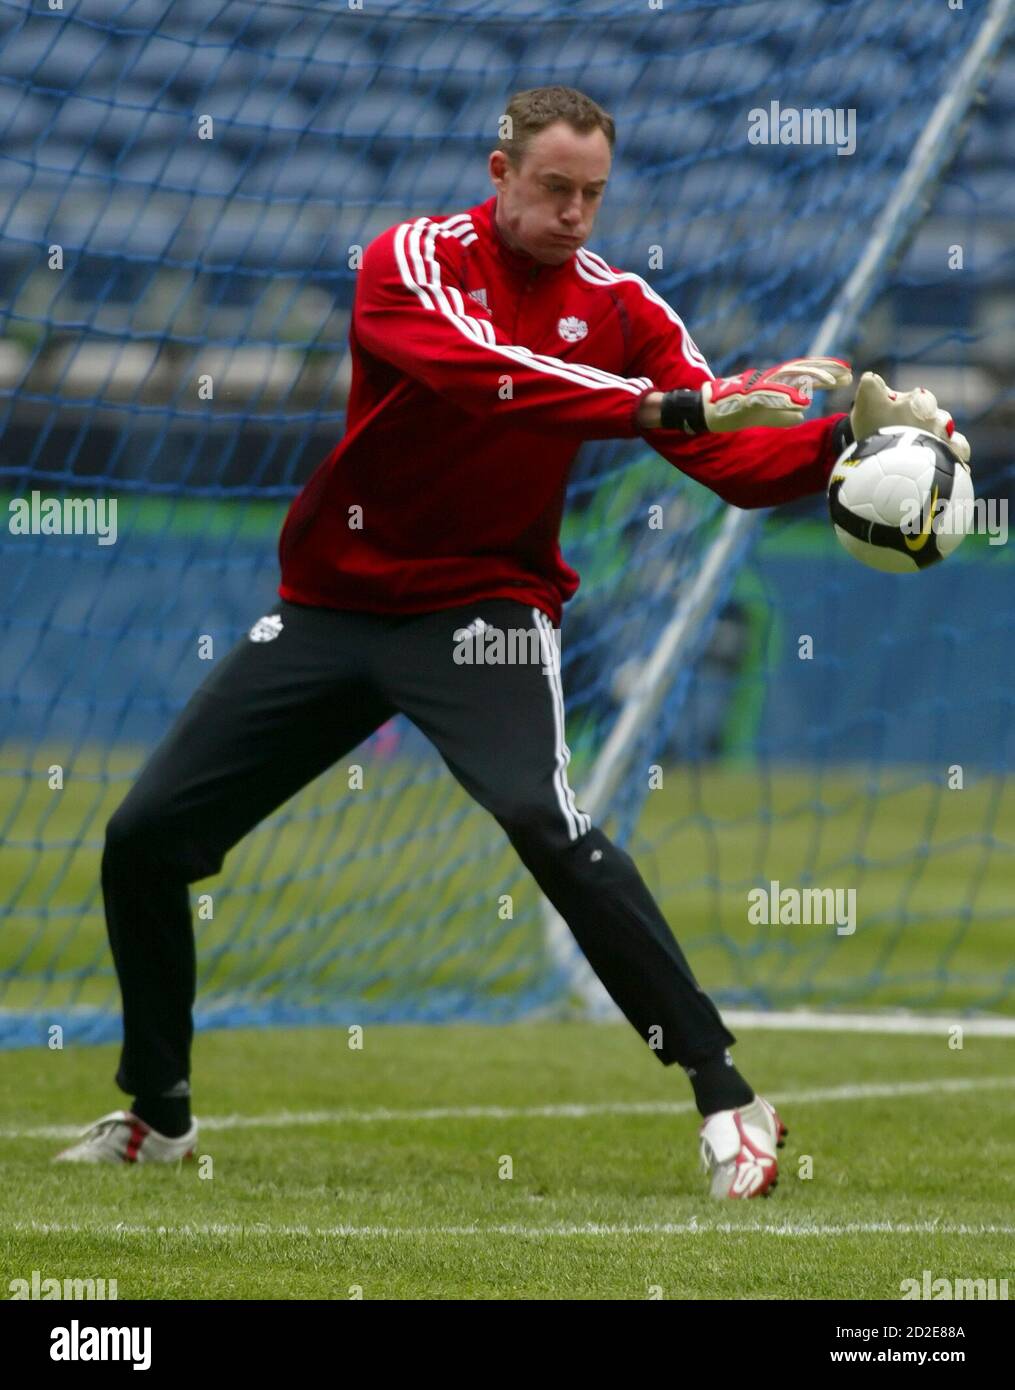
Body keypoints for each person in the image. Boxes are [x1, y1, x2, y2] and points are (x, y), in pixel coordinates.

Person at [55, 86, 967, 1197]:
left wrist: (847, 444)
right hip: (332, 604)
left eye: (592, 193)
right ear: (499, 174)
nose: (575, 213)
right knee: (144, 834)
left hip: (483, 611)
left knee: (548, 822)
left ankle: (728, 1096)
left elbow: (725, 451)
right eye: (553, 188)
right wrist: (671, 409)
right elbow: (478, 373)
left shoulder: (624, 309)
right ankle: (160, 1115)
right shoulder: (409, 259)